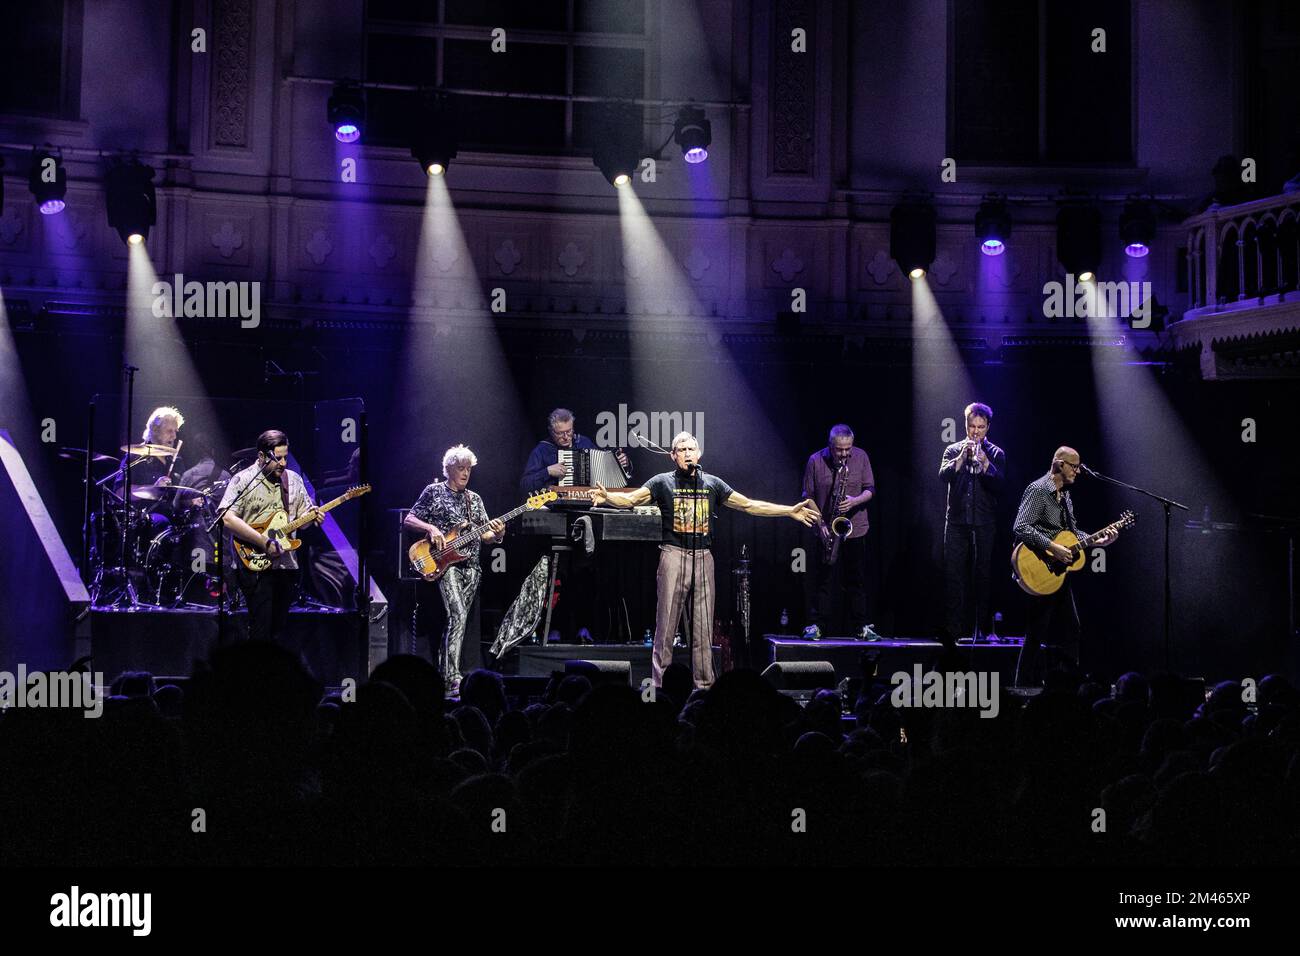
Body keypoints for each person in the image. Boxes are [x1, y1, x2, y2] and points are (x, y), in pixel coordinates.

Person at [592, 432, 820, 690]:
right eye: (682, 449)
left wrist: (789, 511)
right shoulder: (662, 482)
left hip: (703, 557)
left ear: (699, 454)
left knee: (702, 629)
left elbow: (748, 505)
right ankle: (659, 688)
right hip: (673, 555)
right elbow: (631, 500)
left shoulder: (711, 484)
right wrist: (609, 497)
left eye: (692, 448)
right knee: (665, 628)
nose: (687, 453)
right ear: (672, 455)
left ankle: (704, 689)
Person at [1011, 446, 1118, 687]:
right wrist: (1052, 547)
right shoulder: (1038, 490)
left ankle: (1068, 685)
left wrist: (1097, 539)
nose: (1078, 471)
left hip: (1057, 573)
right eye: (1074, 466)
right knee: (1037, 632)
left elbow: (1070, 534)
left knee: (1071, 629)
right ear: (1059, 464)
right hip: (1037, 569)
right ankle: (1022, 688)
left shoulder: (1065, 496)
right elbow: (1021, 526)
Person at [404, 445, 505, 697]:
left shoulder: (475, 500)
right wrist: (431, 529)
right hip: (444, 564)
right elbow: (409, 519)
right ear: (448, 469)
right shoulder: (434, 492)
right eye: (460, 468)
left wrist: (499, 533)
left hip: (471, 567)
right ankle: (453, 678)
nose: (465, 473)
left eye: (468, 469)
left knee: (457, 622)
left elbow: (487, 535)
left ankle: (443, 674)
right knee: (457, 616)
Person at [219, 429, 323, 641]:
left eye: (286, 457)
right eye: (278, 458)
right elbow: (227, 518)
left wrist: (312, 519)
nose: (283, 463)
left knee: (278, 628)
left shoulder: (293, 480)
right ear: (261, 456)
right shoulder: (243, 480)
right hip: (253, 563)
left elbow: (301, 523)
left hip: (286, 565)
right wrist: (263, 541)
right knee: (261, 626)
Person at [938, 402, 1006, 646]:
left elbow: (1001, 485)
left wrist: (985, 464)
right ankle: (953, 632)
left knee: (983, 576)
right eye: (971, 426)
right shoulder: (952, 450)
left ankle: (984, 630)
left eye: (980, 427)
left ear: (987, 427)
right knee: (954, 576)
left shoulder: (996, 453)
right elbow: (942, 475)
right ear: (965, 425)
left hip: (984, 523)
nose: (975, 432)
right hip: (956, 522)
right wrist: (960, 459)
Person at [801, 424, 876, 639]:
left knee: (856, 580)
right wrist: (821, 524)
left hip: (855, 528)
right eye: (839, 450)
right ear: (830, 446)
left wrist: (854, 501)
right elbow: (807, 496)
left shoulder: (861, 457)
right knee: (823, 580)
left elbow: (870, 489)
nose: (844, 454)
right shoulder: (815, 461)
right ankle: (817, 625)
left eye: (847, 449)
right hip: (826, 529)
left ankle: (861, 626)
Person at [519, 407, 631, 495]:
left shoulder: (584, 442)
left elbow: (602, 467)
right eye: (560, 433)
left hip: (588, 503)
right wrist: (547, 471)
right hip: (557, 508)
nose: (566, 437)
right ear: (551, 431)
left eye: (569, 431)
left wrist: (619, 464)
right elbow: (525, 485)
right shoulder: (542, 450)